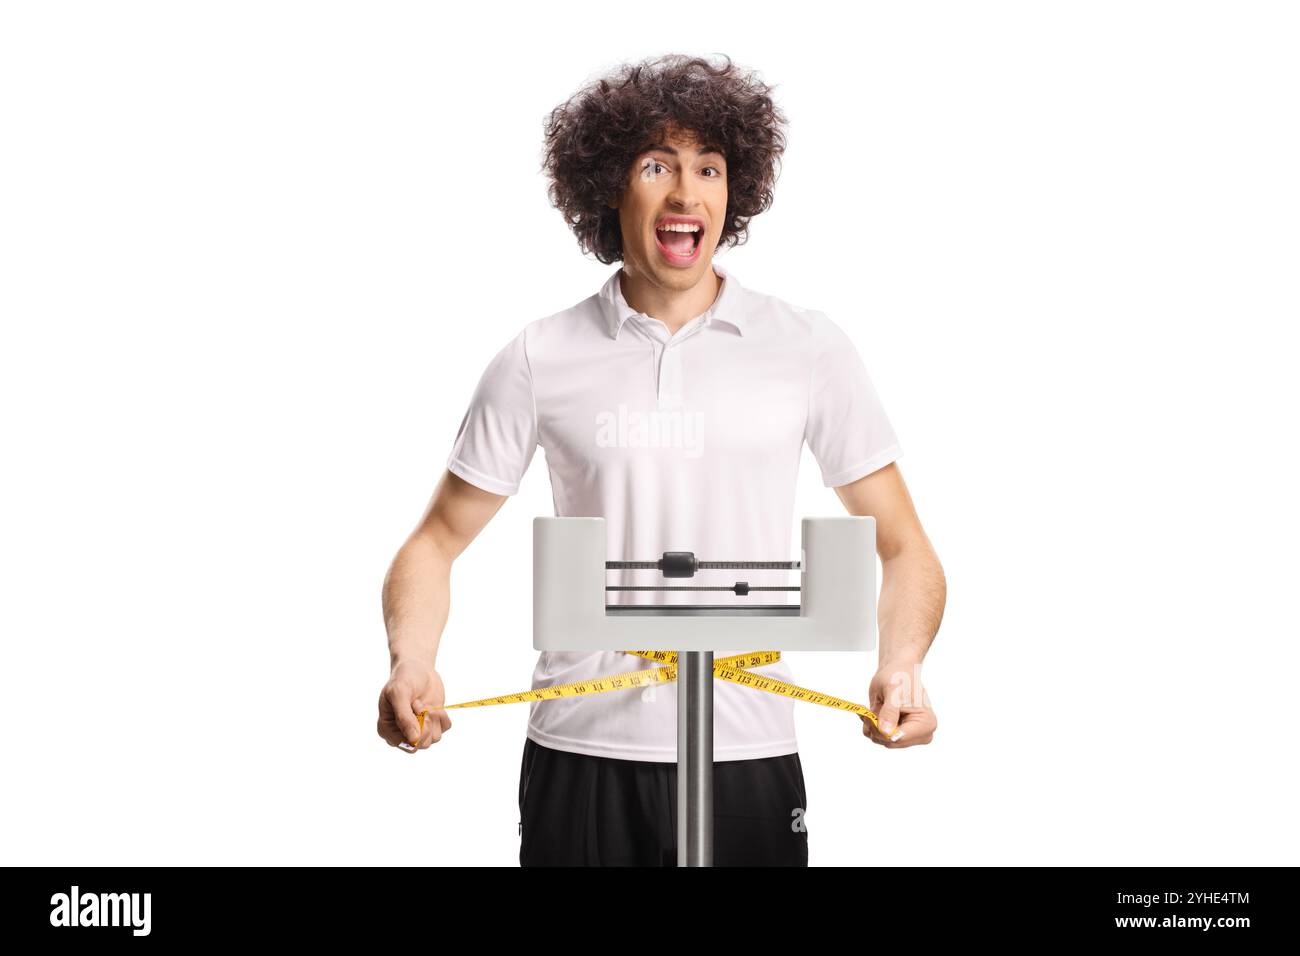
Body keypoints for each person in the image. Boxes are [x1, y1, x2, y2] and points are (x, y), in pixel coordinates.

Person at [377, 53, 945, 867]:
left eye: (708, 168)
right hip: (580, 757)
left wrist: (902, 666)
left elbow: (904, 545)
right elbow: (434, 541)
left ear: (732, 193)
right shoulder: (541, 356)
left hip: (748, 756)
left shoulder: (808, 348)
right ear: (612, 187)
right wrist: (413, 663)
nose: (686, 193)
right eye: (657, 166)